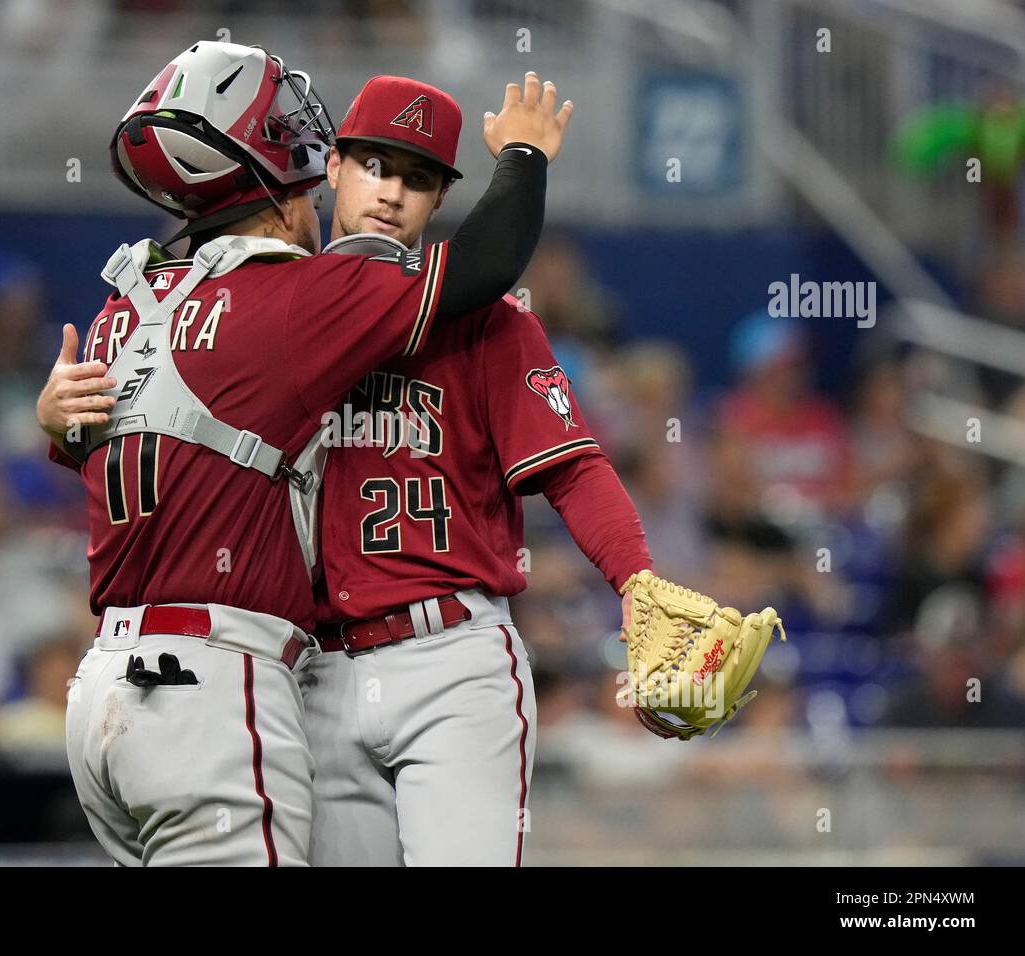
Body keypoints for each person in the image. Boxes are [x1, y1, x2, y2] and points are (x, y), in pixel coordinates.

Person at [36, 42, 574, 865]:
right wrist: (527, 157)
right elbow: (484, 266)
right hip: (208, 683)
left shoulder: (129, 298)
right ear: (287, 197)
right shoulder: (294, 294)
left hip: (104, 692)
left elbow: (135, 441)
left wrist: (56, 425)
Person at [302, 75, 652, 866]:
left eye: (418, 178)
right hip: (313, 667)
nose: (392, 193)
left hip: (450, 658)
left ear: (439, 200)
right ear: (332, 167)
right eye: (375, 166)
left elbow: (573, 470)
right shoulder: (282, 308)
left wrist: (636, 579)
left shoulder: (490, 322)